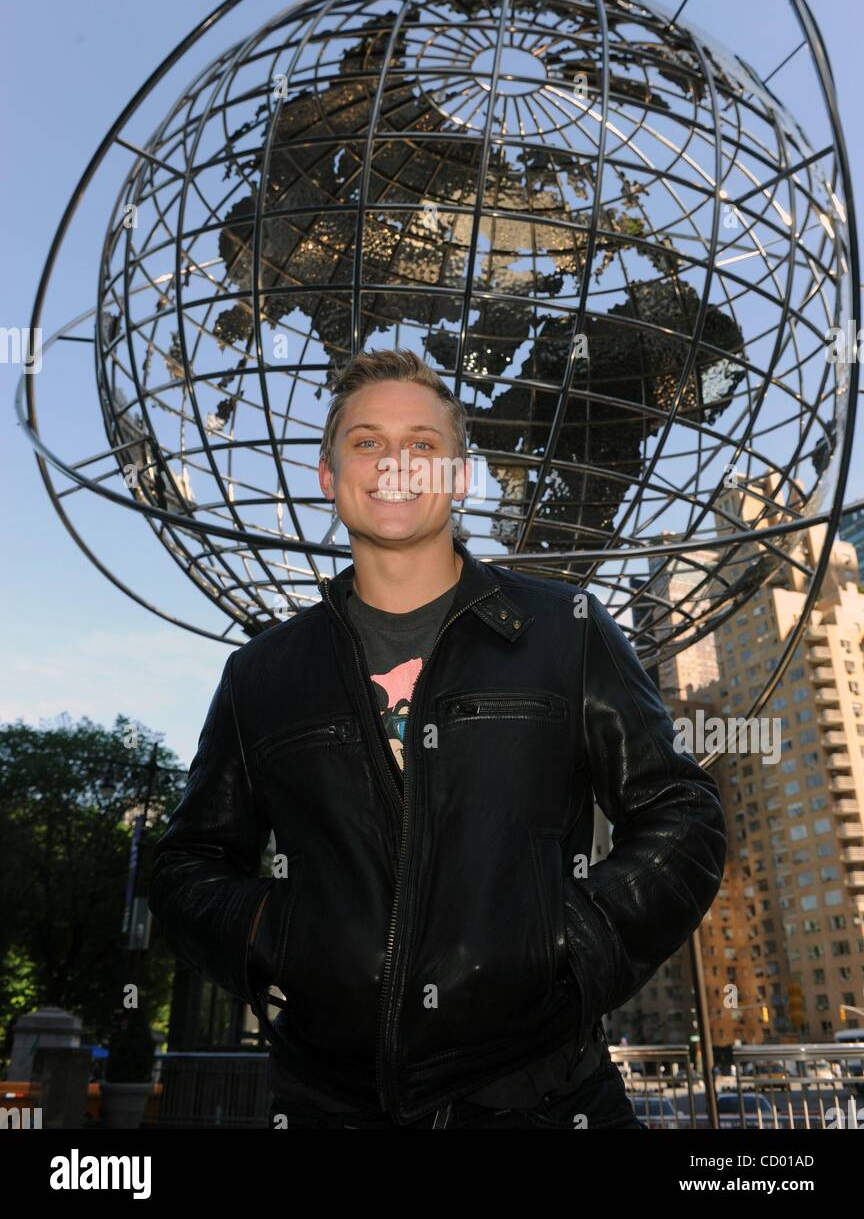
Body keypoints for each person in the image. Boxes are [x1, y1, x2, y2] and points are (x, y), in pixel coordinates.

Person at [149, 348, 727, 1129]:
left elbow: (682, 814)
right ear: (330, 477)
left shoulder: (567, 631)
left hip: (546, 1099)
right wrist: (277, 935)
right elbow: (187, 867)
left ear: (458, 477)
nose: (395, 463)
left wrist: (567, 943)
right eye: (367, 442)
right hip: (329, 1105)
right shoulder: (262, 675)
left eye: (423, 444)